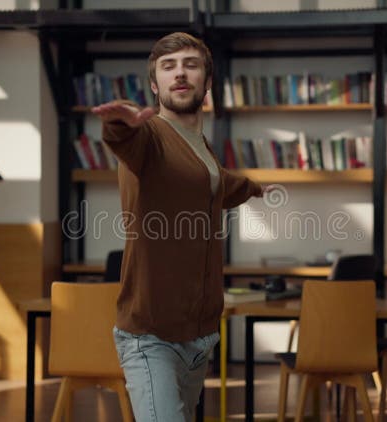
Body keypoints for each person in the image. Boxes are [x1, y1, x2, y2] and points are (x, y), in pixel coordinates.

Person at [92, 32, 271, 421]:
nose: (180, 74)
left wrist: (256, 188)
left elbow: (220, 183)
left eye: (191, 65)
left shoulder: (201, 148)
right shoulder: (150, 138)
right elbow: (126, 140)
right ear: (155, 85)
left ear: (207, 83)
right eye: (168, 67)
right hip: (150, 336)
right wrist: (119, 125)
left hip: (199, 337)